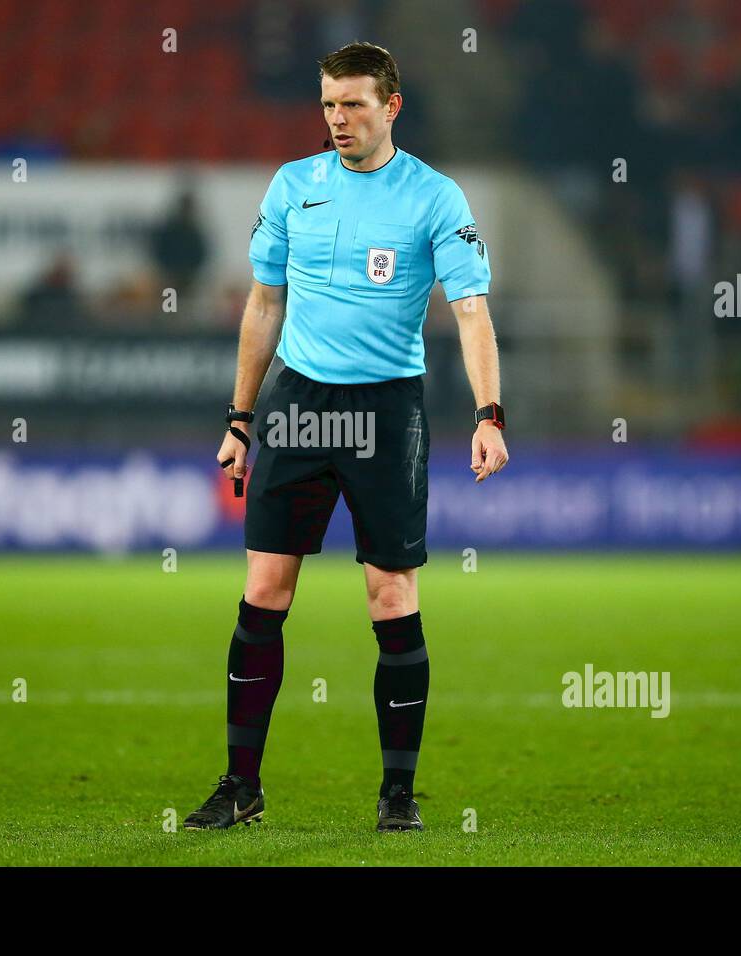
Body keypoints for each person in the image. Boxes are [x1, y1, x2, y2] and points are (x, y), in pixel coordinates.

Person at [183, 42, 507, 833]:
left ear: (391, 107)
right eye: (329, 103)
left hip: (386, 411)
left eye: (355, 104)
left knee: (390, 595)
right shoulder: (294, 186)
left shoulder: (434, 196)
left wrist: (489, 413)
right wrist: (239, 418)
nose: (339, 119)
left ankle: (397, 797)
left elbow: (470, 311)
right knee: (264, 592)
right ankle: (240, 785)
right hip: (297, 404)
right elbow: (264, 306)